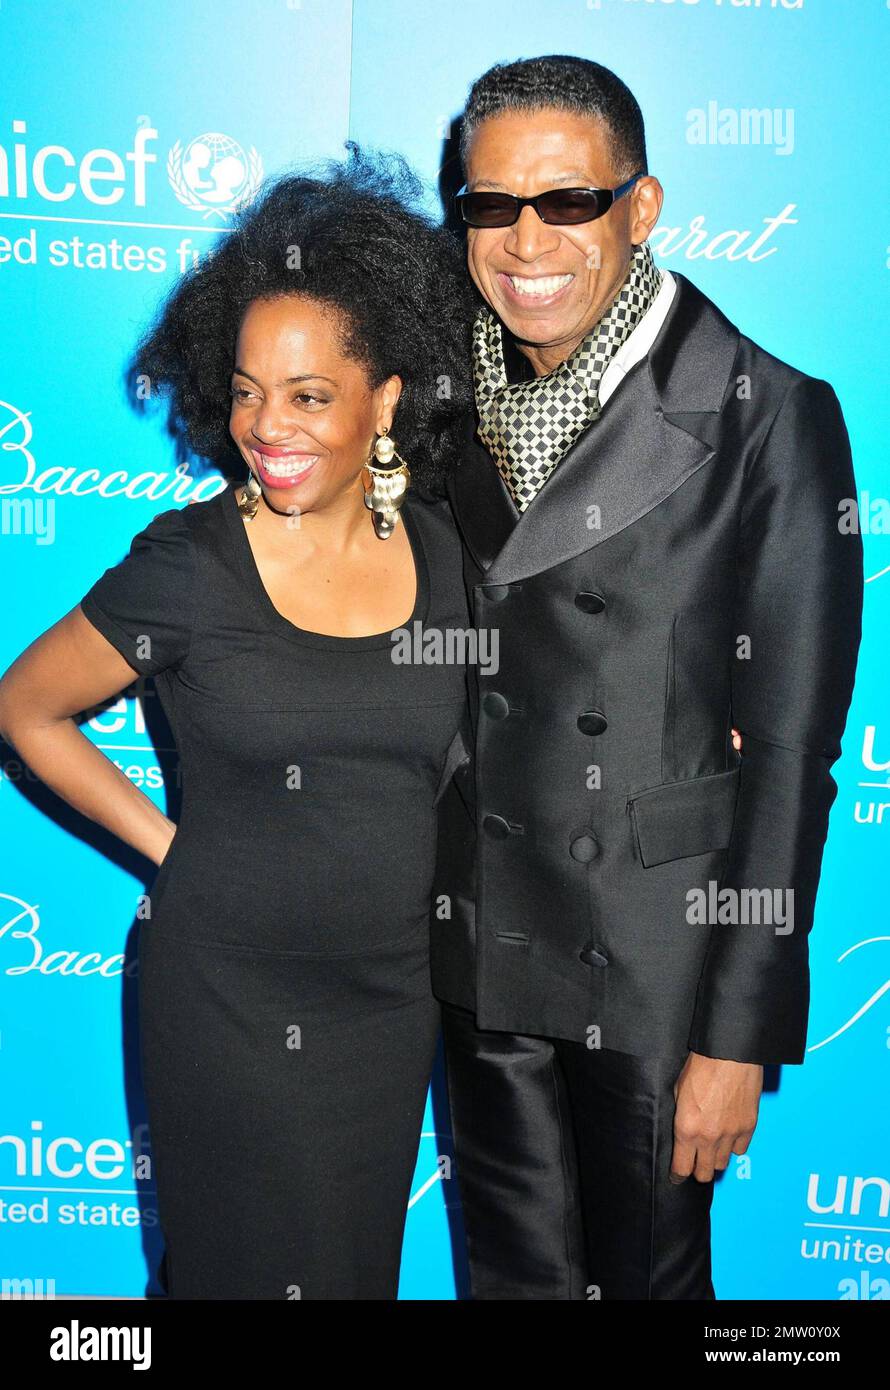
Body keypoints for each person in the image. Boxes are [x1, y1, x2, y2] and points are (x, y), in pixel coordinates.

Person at [0, 148, 478, 1300]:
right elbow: (25, 707)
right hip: (225, 993)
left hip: (390, 997)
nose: (269, 425)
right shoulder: (193, 567)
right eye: (251, 389)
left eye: (309, 394)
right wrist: (177, 853)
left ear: (387, 400)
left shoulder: (448, 555)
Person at [430, 56, 864, 1300]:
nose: (525, 243)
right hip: (484, 926)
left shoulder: (768, 412)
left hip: (655, 957)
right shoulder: (444, 394)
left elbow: (787, 756)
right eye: (488, 205)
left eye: (567, 202)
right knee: (505, 1281)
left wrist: (735, 1038)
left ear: (641, 205)